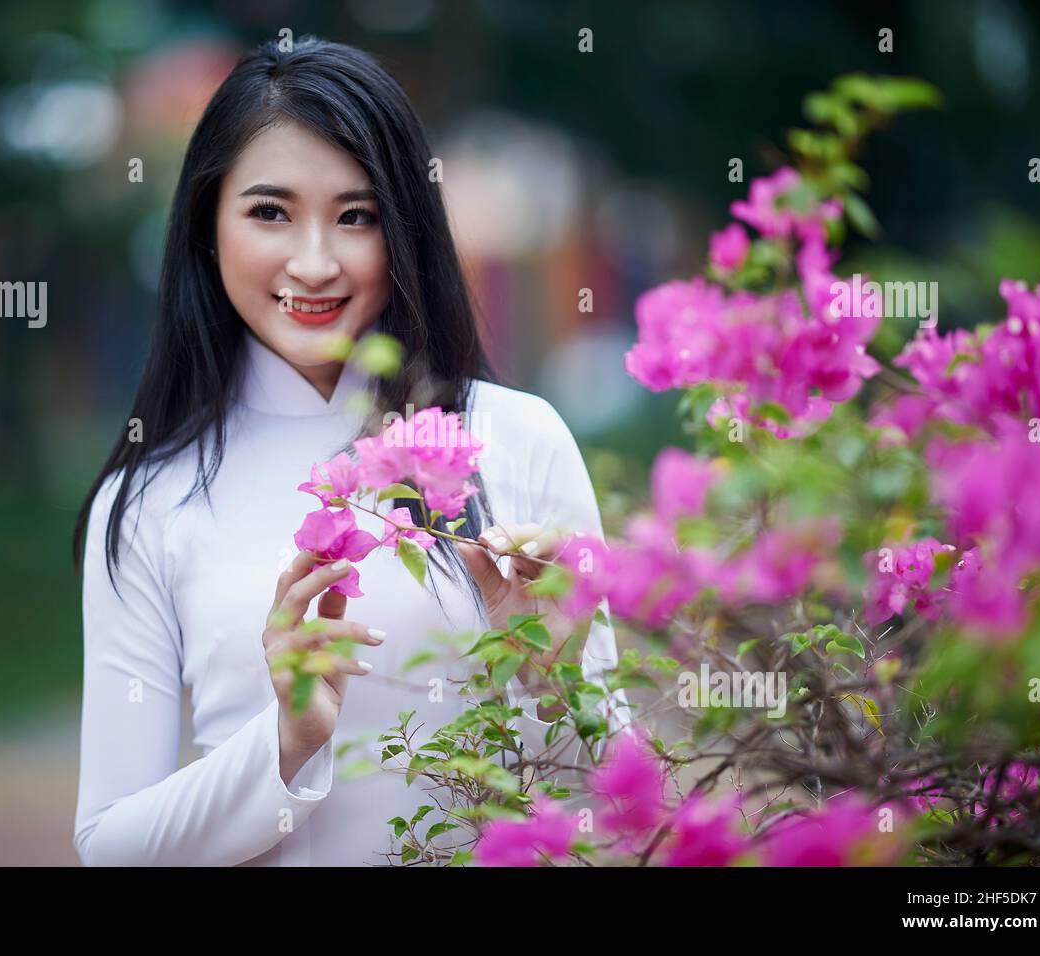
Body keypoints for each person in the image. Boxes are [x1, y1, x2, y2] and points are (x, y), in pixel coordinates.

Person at [72, 35, 625, 866]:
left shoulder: (517, 439)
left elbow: (626, 811)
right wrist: (286, 743)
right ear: (205, 223)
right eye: (269, 212)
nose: (316, 262)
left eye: (356, 216)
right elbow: (111, 844)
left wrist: (556, 683)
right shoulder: (150, 499)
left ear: (403, 229)